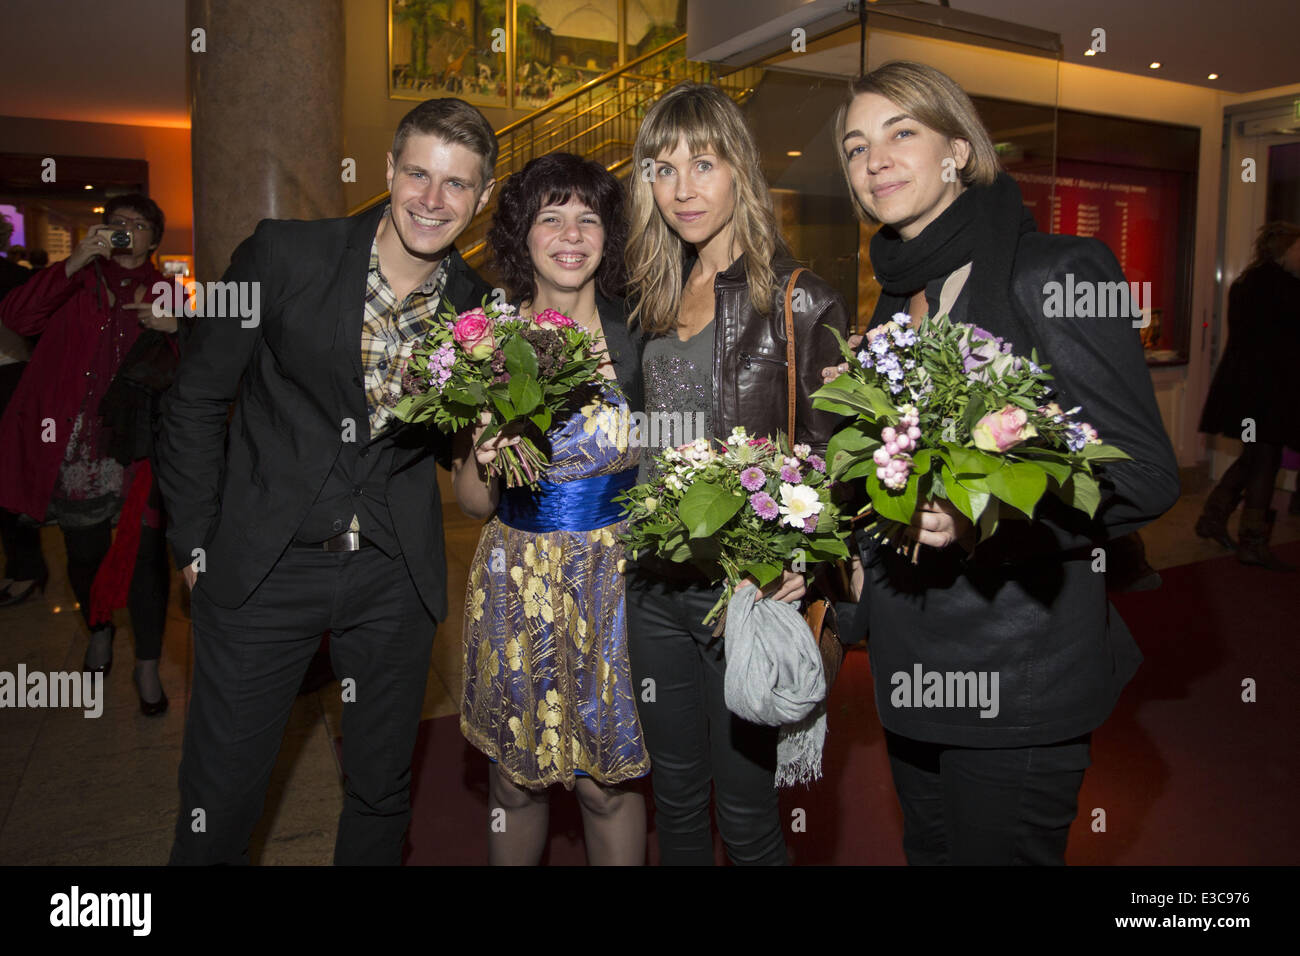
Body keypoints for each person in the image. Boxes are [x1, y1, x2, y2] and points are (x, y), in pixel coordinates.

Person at [827, 61, 1179, 865]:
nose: (874, 159)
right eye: (856, 146)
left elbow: (1146, 474)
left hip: (1019, 673)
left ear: (957, 149)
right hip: (912, 667)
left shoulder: (1054, 270)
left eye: (901, 132)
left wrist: (982, 518)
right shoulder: (892, 298)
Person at [156, 98, 497, 865]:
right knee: (222, 795)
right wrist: (193, 547)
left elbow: (459, 453)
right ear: (388, 170)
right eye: (418, 173)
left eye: (456, 184)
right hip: (264, 566)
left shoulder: (479, 311)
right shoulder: (284, 255)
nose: (432, 200)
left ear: (481, 197)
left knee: (380, 792)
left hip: (391, 577)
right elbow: (196, 402)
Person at [622, 82, 849, 865]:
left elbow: (838, 466)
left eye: (704, 163)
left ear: (741, 172)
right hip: (651, 587)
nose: (682, 188)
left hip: (739, 597)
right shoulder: (651, 295)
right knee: (677, 801)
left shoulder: (800, 300)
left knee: (748, 821)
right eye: (662, 167)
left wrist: (805, 561)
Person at [454, 153, 648, 865]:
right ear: (522, 236)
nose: (571, 234)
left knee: (606, 787)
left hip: (618, 588)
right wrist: (483, 452)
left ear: (608, 235)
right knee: (515, 783)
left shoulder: (641, 338)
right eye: (551, 217)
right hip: (516, 585)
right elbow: (473, 503)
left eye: (588, 218)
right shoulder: (486, 344)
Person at [0, 195, 176, 715]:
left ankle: (147, 662)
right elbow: (16, 315)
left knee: (146, 555)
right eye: (117, 223)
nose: (126, 232)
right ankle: (98, 627)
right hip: (75, 443)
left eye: (138, 225)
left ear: (153, 241)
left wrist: (175, 328)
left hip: (138, 443)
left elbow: (196, 363)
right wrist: (75, 260)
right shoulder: (73, 277)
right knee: (84, 551)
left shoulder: (165, 290)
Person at [1195, 221, 1300, 571]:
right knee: (1264, 460)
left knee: (1255, 457)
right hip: (1268, 392)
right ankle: (1252, 542)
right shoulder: (1283, 287)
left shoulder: (1247, 282)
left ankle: (1213, 517)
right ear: (1284, 251)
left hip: (1246, 390)